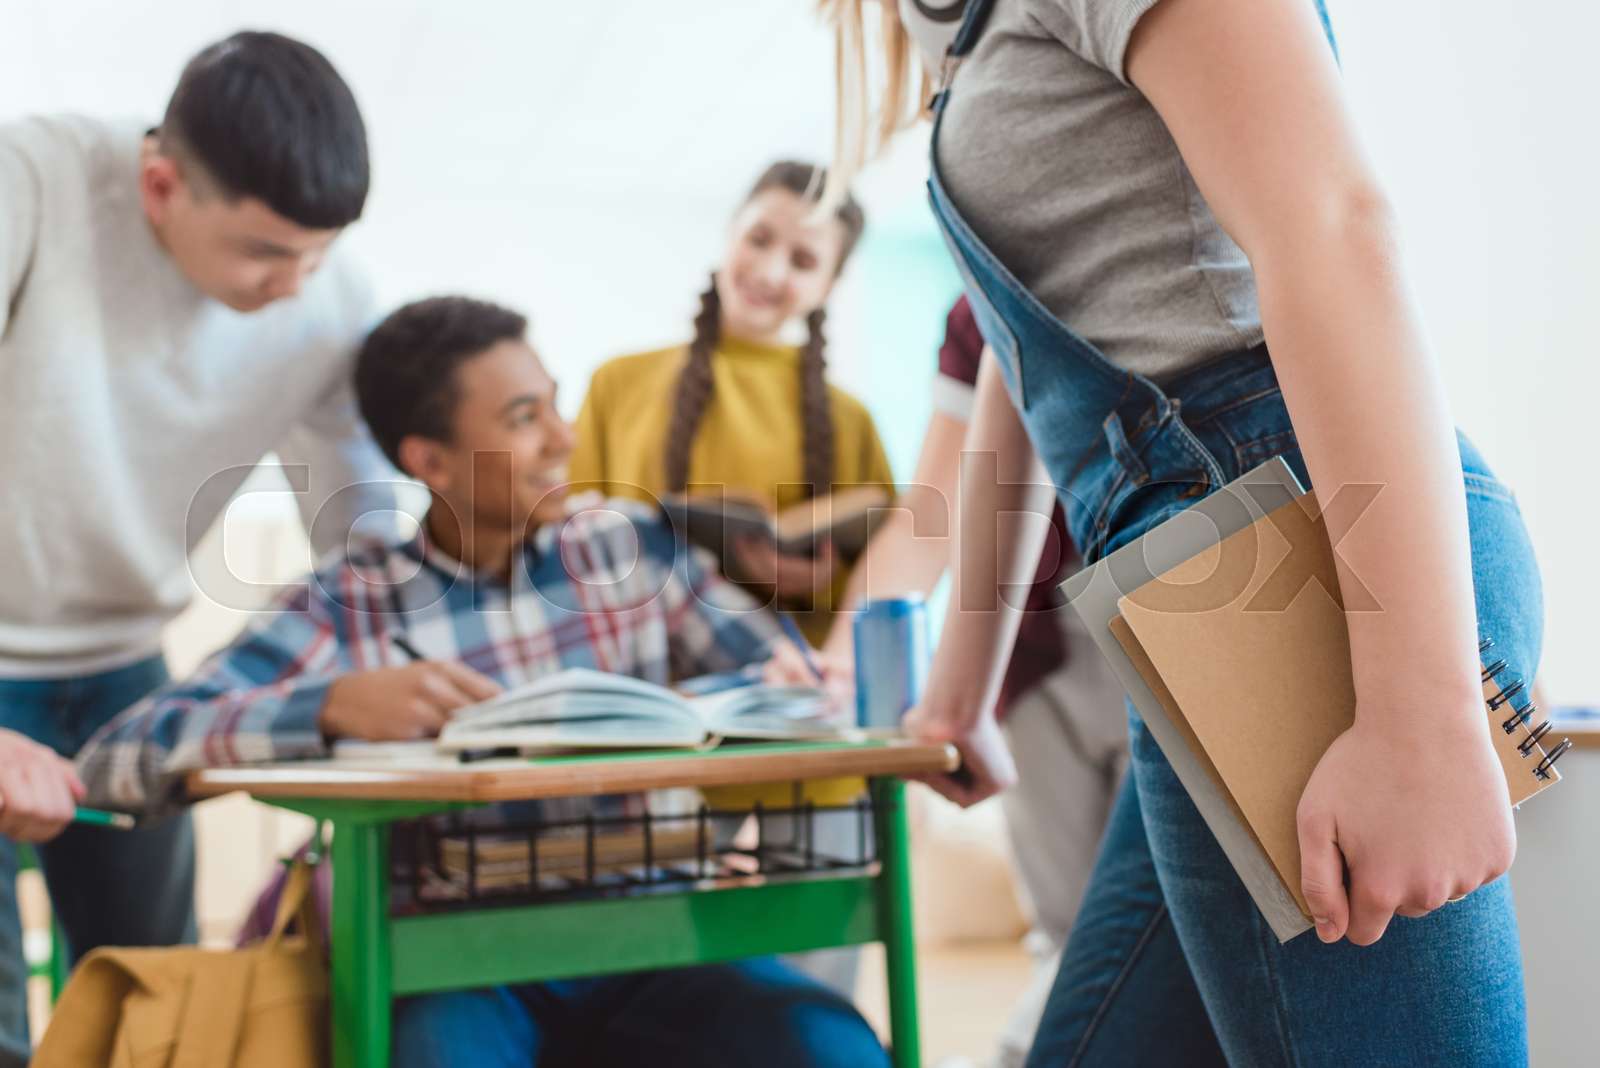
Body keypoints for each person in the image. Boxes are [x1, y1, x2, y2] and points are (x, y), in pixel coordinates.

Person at [819, 0, 1545, 1064]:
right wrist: (961, 692)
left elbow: (1331, 224)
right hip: (1200, 580)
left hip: (1305, 560)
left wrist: (1420, 714)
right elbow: (1014, 366)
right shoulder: (955, 34)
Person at [74, 296, 890, 1068]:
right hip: (458, 966)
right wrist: (327, 705)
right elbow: (119, 760)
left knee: (827, 1042)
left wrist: (795, 681)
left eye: (555, 404)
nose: (564, 438)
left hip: (656, 942)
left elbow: (788, 678)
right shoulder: (347, 604)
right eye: (524, 419)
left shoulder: (630, 551)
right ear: (431, 461)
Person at [0, 31, 395, 1065]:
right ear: (161, 183)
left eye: (317, 254)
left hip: (127, 671)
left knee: (157, 1003)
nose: (297, 285)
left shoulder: (328, 293)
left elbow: (364, 535)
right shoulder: (31, 184)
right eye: (268, 253)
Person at [816, 295, 1127, 1068]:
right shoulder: (976, 306)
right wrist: (841, 658)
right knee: (1066, 929)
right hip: (1035, 653)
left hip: (1174, 630)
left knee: (1154, 931)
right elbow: (937, 510)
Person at [568, 159, 895, 649]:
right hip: (644, 674)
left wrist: (815, 581)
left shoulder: (851, 418)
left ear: (829, 285)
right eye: (758, 239)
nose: (770, 269)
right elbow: (570, 541)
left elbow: (888, 571)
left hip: (795, 682)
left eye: (803, 261)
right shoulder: (616, 382)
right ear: (730, 234)